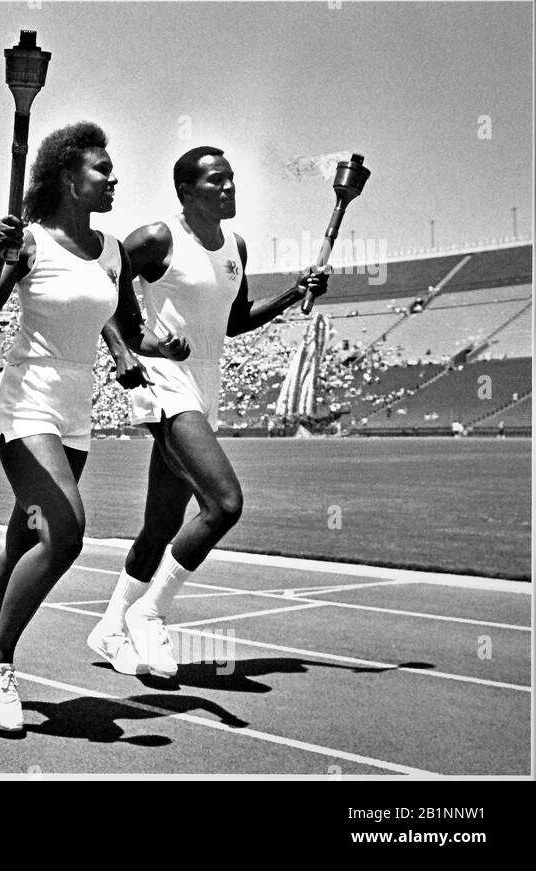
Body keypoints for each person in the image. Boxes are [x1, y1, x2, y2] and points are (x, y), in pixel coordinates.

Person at [0, 121, 178, 732]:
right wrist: (1, 257)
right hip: (27, 402)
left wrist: (165, 346)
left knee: (25, 541)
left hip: (77, 411)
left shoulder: (112, 252)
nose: (114, 178)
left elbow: (129, 329)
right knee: (67, 533)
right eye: (102, 170)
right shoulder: (31, 243)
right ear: (68, 179)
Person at [89, 146, 329, 679]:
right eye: (215, 180)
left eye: (232, 179)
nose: (229, 188)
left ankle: (109, 627)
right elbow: (100, 285)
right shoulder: (157, 238)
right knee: (223, 503)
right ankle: (150, 613)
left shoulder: (235, 246)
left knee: (159, 527)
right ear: (185, 192)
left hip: (205, 385)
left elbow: (236, 319)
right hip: (163, 382)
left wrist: (294, 293)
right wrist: (128, 349)